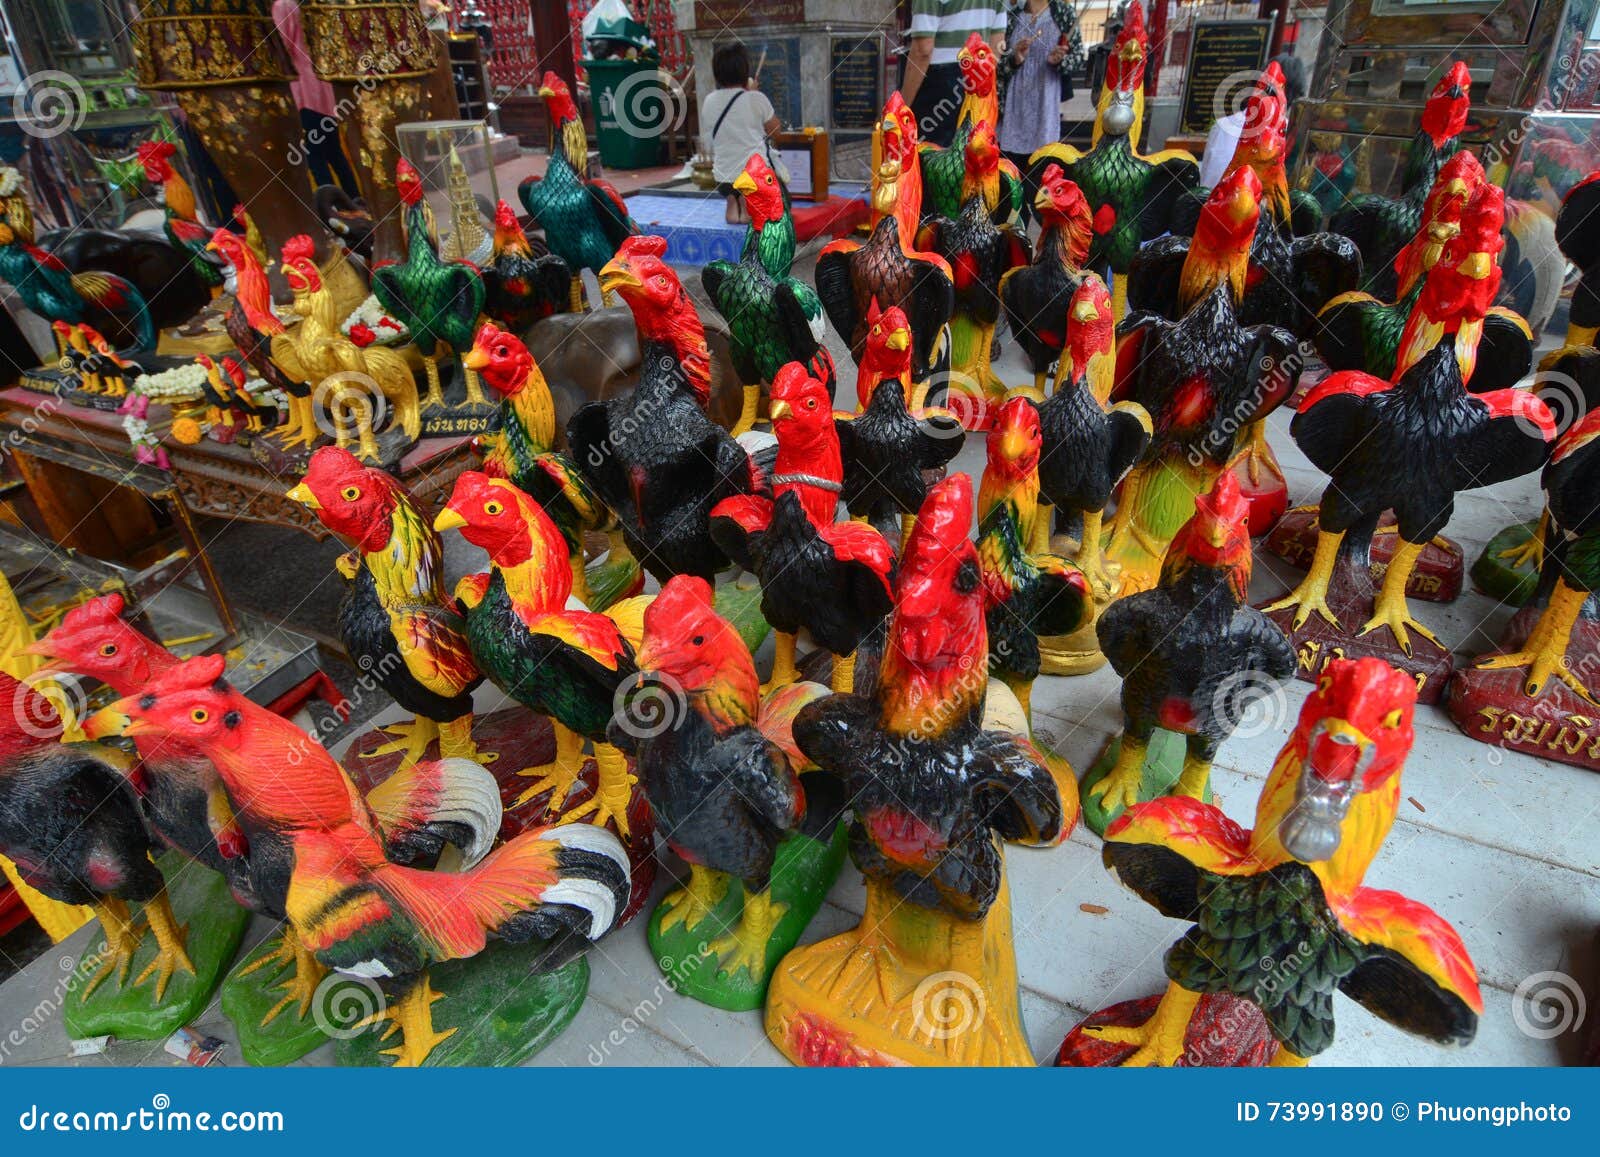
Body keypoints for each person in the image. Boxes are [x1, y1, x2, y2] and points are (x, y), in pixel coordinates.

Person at [998, 0, 1083, 223]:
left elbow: (1077, 56)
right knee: (1012, 182)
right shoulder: (1011, 16)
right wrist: (1015, 57)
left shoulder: (1062, 13)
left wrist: (1060, 60)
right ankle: (1016, 235)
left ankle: (1048, 238)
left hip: (1045, 104)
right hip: (1014, 107)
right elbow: (998, 62)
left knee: (1042, 180)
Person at [272, 0, 360, 195]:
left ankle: (333, 206)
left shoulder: (283, 6)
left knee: (315, 153)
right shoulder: (311, 4)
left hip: (303, 87)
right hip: (323, 85)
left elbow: (282, 45)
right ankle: (354, 199)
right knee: (334, 151)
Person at [904, 0, 1007, 149]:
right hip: (978, 79)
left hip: (937, 82)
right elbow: (997, 44)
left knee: (930, 157)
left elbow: (923, 50)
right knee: (970, 153)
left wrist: (903, 104)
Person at [701, 43, 781, 224]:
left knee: (732, 177)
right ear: (744, 71)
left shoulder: (709, 101)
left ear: (717, 73)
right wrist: (753, 96)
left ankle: (732, 199)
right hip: (754, 178)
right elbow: (777, 132)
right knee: (781, 200)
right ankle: (747, 203)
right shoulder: (756, 98)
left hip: (723, 178)